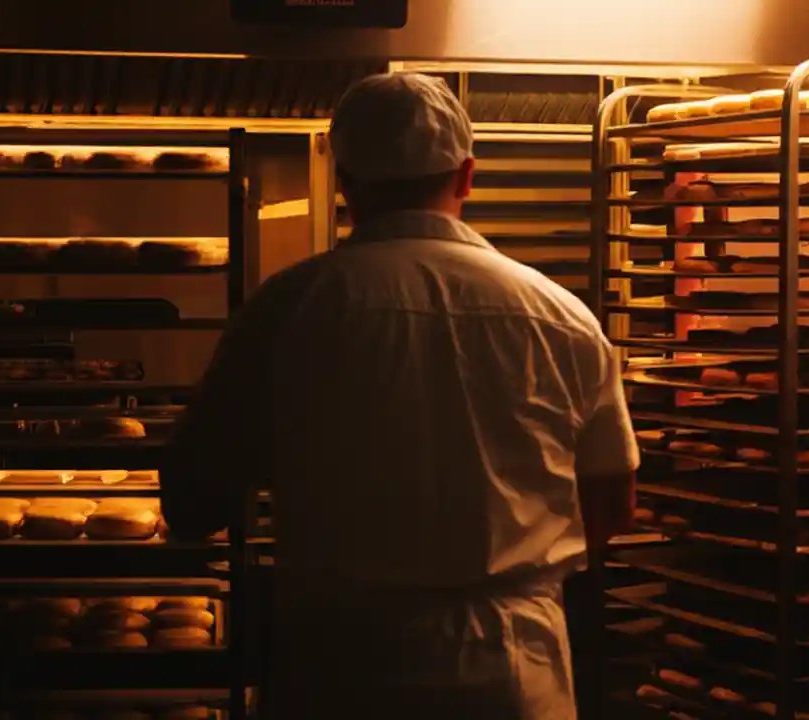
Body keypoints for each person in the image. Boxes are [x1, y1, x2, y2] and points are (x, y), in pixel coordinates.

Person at [160, 72, 638, 720]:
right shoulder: (560, 314)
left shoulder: (288, 307)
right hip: (509, 668)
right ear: (467, 176)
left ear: (347, 182)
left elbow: (192, 496)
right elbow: (609, 505)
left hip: (340, 666)